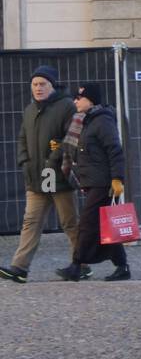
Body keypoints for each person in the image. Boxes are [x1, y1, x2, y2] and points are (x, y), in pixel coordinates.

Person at [2, 67, 79, 283]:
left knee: (69, 223)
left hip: (58, 176)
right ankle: (19, 268)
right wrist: (24, 161)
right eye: (34, 84)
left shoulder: (66, 107)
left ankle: (81, 263)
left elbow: (71, 138)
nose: (38, 88)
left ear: (52, 86)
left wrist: (54, 158)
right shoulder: (29, 110)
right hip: (35, 178)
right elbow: (22, 139)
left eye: (42, 84)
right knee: (31, 221)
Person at [56, 83, 130, 282]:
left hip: (102, 183)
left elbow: (115, 151)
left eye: (79, 98)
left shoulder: (102, 121)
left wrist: (117, 179)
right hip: (92, 182)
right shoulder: (86, 121)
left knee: (87, 225)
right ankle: (123, 267)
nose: (75, 101)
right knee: (104, 225)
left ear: (91, 100)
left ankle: (76, 265)